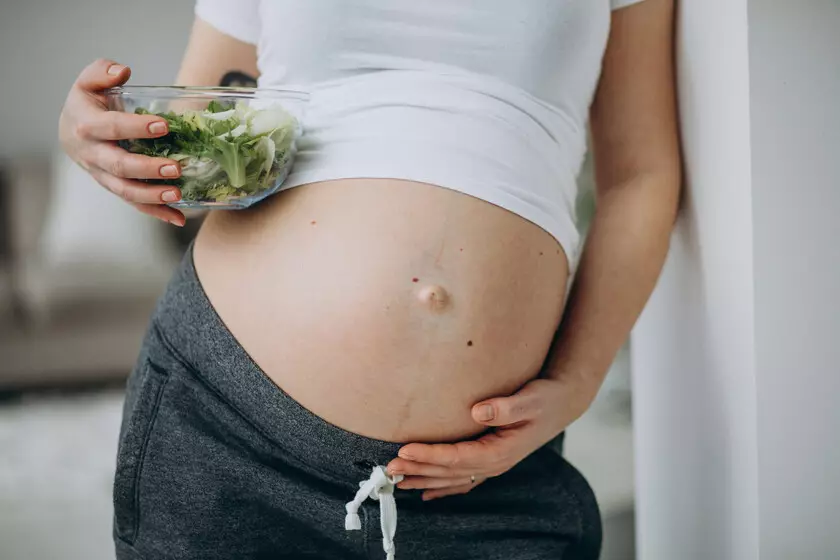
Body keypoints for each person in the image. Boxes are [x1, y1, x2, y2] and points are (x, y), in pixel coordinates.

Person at [58, 0, 680, 558]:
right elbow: (198, 127)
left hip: (482, 479)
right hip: (229, 423)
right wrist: (98, 133)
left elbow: (640, 176)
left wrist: (578, 382)